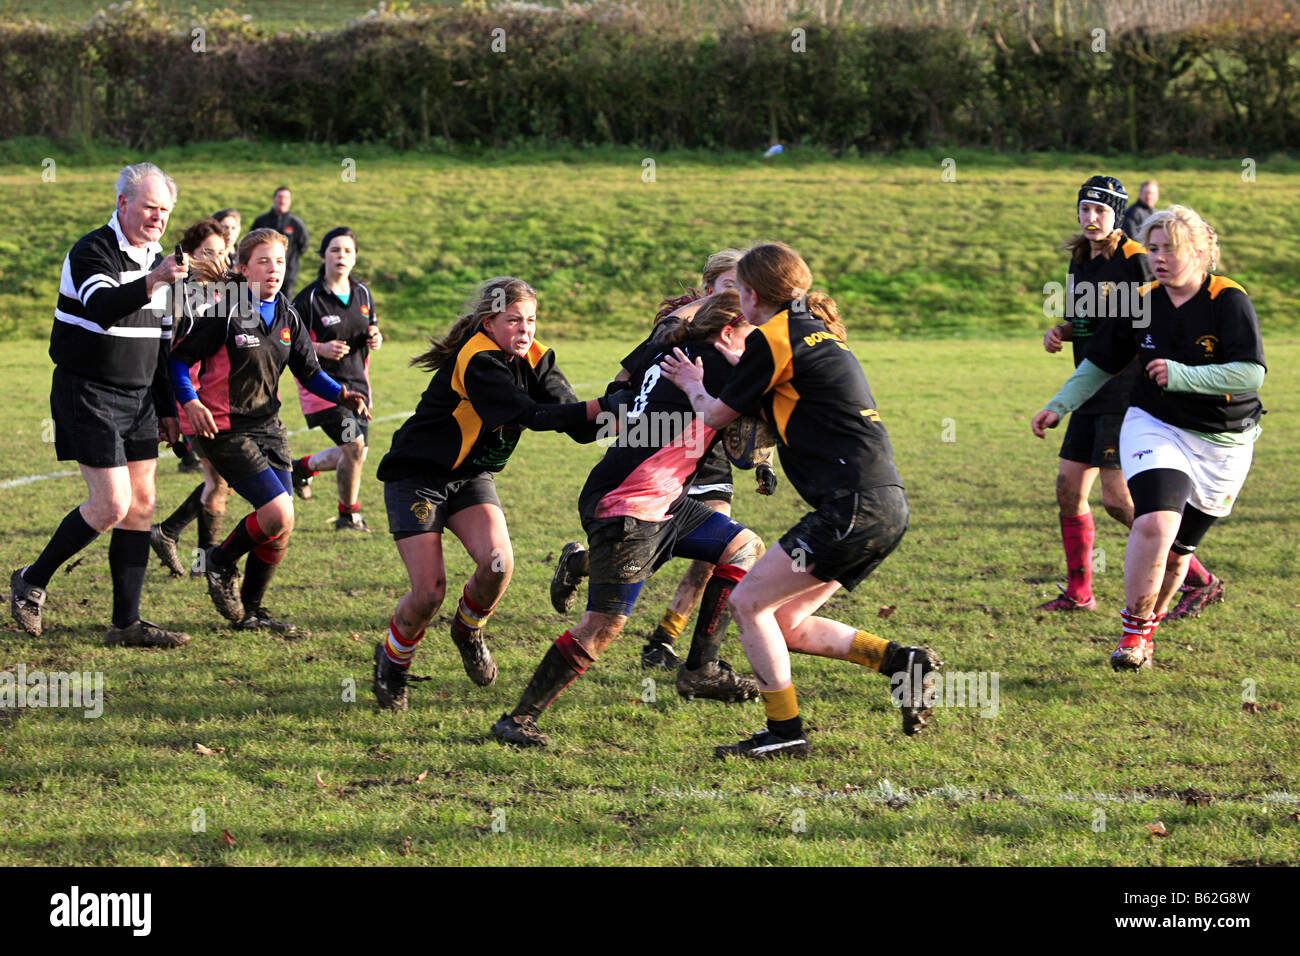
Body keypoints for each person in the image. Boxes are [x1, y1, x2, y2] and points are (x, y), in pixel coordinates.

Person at [661, 242, 941, 759]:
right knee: (784, 622)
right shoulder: (810, 331)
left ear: (748, 294)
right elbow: (778, 379)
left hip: (847, 510)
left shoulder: (773, 337)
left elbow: (717, 416)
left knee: (747, 603)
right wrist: (738, 364)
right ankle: (903, 662)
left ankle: (785, 732)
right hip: (883, 506)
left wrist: (695, 384)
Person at [495, 293, 767, 748]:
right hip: (629, 502)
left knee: (743, 547)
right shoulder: (716, 366)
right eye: (750, 331)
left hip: (661, 496)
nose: (757, 341)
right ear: (725, 332)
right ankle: (518, 719)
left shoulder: (683, 354)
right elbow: (749, 444)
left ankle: (700, 670)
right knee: (604, 626)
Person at [1031, 206, 1264, 670]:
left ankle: (1149, 626)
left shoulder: (1228, 299)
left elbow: (1249, 372)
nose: (1158, 257)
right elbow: (1100, 361)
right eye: (1153, 248)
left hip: (1225, 441)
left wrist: (1181, 375)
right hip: (1155, 424)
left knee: (1180, 554)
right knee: (1156, 523)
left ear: (1199, 253)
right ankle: (1132, 638)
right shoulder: (1142, 300)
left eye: (1169, 249)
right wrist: (1059, 404)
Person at [371, 277, 621, 709]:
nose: (525, 330)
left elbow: (578, 426)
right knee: (429, 593)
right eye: (514, 321)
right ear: (489, 322)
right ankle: (393, 664)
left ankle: (468, 630)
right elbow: (534, 415)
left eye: (531, 320)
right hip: (417, 477)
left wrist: (625, 407)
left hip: (469, 477)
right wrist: (605, 405)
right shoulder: (478, 359)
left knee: (498, 564)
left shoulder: (536, 356)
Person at [9, 163, 190, 648]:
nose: (158, 218)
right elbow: (102, 308)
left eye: (165, 210)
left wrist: (169, 408)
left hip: (139, 398)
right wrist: (154, 279)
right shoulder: (92, 251)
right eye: (150, 207)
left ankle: (125, 624)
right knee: (112, 503)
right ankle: (31, 579)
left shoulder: (160, 260)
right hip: (88, 390)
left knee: (143, 504)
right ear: (122, 204)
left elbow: (160, 345)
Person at [169, 228, 369, 634]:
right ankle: (220, 563)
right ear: (243, 268)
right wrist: (190, 402)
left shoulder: (287, 314)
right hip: (224, 427)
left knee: (282, 522)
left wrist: (342, 394)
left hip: (268, 425)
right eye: (263, 261)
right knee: (276, 511)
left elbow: (310, 373)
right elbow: (177, 361)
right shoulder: (223, 310)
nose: (273, 268)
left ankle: (253, 612)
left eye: (279, 261)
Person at [1040, 177, 1221, 617]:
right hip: (1089, 384)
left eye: (1100, 211)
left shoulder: (1136, 260)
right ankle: (1080, 592)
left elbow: (1149, 323)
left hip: (1124, 390)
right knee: (1068, 489)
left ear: (1117, 215)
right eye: (1084, 210)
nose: (1090, 219)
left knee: (1119, 501)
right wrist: (1062, 331)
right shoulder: (1081, 259)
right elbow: (1087, 319)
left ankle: (1198, 578)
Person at [150, 218, 233, 577]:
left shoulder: (227, 293)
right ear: (189, 256)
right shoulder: (176, 295)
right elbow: (163, 352)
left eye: (221, 252)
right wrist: (165, 404)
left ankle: (168, 532)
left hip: (216, 398)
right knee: (220, 479)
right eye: (206, 253)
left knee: (222, 478)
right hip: (189, 400)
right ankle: (207, 562)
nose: (215, 259)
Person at [289, 227, 382, 531]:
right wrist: (320, 348)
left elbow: (372, 328)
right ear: (323, 256)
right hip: (324, 389)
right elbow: (285, 340)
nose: (341, 255)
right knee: (353, 446)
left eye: (348, 251)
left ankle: (301, 468)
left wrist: (375, 338)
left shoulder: (363, 293)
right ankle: (348, 514)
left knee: (356, 454)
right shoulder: (310, 298)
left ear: (355, 258)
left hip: (358, 385)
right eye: (335, 250)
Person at [252, 187, 308, 297]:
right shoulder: (262, 221)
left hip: (287, 275)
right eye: (280, 197)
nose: (282, 200)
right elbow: (251, 244)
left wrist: (290, 260)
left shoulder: (296, 224)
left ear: (290, 201)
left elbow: (303, 245)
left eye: (286, 197)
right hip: (261, 274)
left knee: (283, 304)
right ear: (274, 199)